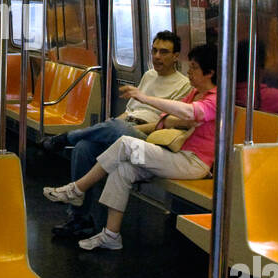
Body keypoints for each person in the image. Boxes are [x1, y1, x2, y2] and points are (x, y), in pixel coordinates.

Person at [43, 43, 219, 252]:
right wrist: (178, 119)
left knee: (126, 144)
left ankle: (77, 189)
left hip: (192, 162)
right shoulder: (195, 94)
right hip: (176, 154)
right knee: (124, 169)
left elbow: (190, 114)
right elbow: (167, 119)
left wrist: (144, 98)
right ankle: (111, 235)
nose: (189, 72)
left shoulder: (216, 99)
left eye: (194, 68)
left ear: (209, 72)